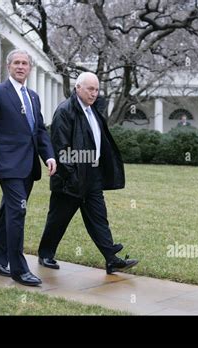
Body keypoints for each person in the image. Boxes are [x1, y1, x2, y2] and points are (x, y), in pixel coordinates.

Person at [37, 72, 139, 275]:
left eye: (96, 89)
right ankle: (45, 254)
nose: (94, 93)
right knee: (59, 218)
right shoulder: (65, 111)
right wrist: (72, 177)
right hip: (70, 178)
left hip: (92, 176)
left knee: (99, 218)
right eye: (90, 89)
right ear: (78, 88)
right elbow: (61, 148)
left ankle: (111, 259)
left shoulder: (93, 111)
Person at [0, 49, 56, 287]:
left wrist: (48, 156)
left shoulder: (33, 96)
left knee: (9, 211)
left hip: (29, 167)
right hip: (8, 165)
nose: (21, 67)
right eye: (16, 63)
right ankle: (19, 269)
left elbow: (39, 130)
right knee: (18, 212)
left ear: (29, 68)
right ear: (8, 66)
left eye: (25, 63)